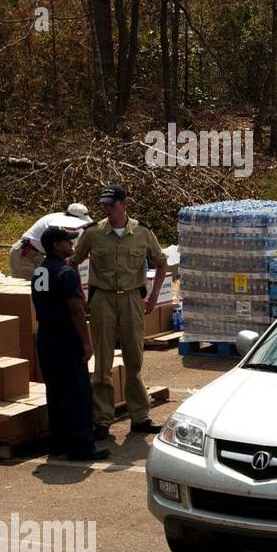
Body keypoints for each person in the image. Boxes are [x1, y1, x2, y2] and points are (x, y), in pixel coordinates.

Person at [69, 185, 167, 440]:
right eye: (104, 205)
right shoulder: (93, 233)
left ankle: (139, 416)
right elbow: (73, 261)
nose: (107, 209)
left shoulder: (142, 233)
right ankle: (102, 420)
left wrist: (154, 294)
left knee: (134, 359)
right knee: (102, 361)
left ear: (124, 204)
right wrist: (80, 294)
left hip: (132, 299)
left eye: (111, 205)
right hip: (102, 300)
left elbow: (161, 262)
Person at [30, 227, 109, 461]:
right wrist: (86, 342)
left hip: (45, 337)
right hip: (65, 337)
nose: (71, 245)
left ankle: (58, 442)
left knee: (54, 391)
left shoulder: (39, 271)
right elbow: (76, 311)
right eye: (67, 241)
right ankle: (81, 446)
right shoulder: (66, 272)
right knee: (77, 392)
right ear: (56, 244)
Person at [9, 203, 92, 280]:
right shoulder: (59, 223)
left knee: (44, 289)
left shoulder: (65, 220)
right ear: (74, 218)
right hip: (25, 255)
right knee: (27, 290)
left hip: (39, 255)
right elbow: (67, 251)